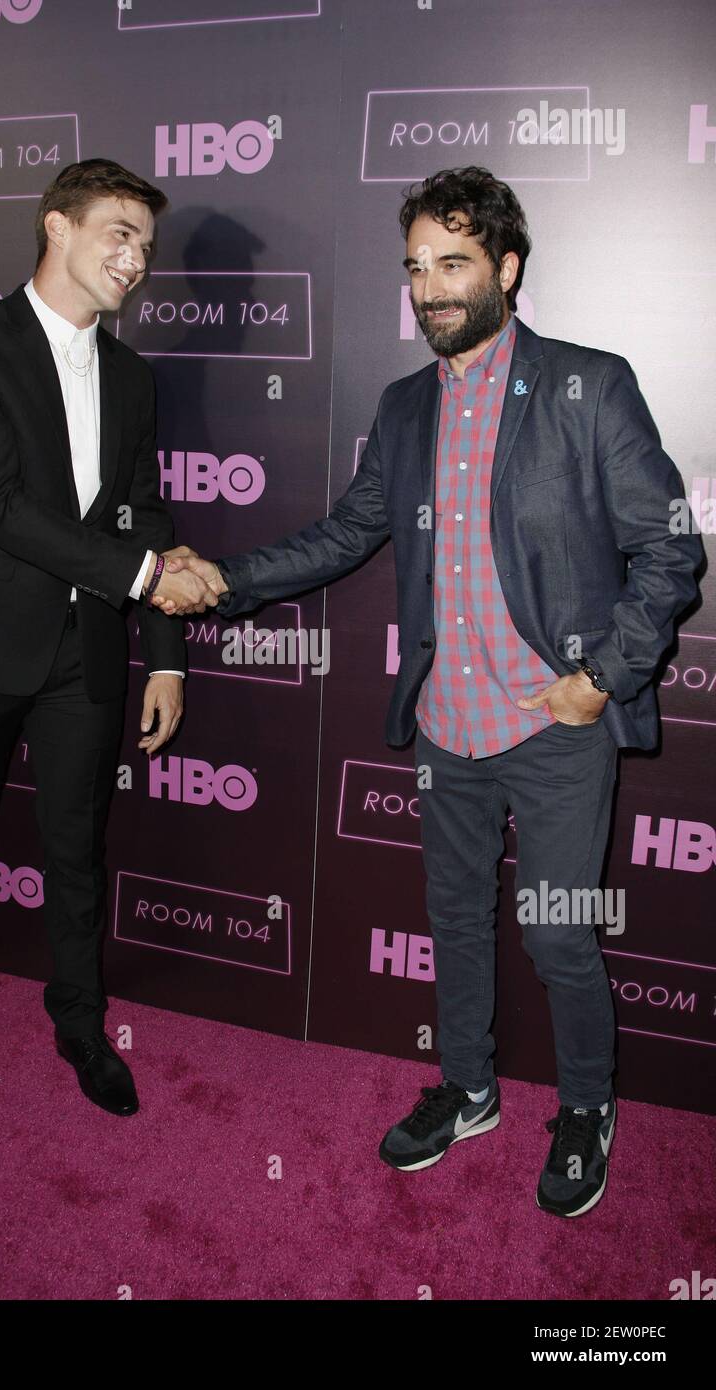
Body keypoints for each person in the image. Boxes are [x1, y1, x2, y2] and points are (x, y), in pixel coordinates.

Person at [159, 165, 704, 1216]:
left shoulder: (590, 384)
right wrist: (222, 582)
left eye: (453, 262)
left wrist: (598, 679)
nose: (430, 287)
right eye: (416, 266)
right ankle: (467, 1088)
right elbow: (346, 532)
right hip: (445, 732)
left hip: (555, 733)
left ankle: (588, 1104)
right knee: (453, 920)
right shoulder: (405, 405)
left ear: (505, 266)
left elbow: (670, 552)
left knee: (557, 935)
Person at [0, 159, 219, 1116]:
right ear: (57, 227)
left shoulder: (132, 375)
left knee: (77, 848)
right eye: (120, 234)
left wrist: (164, 651)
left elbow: (146, 514)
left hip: (88, 649)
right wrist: (150, 577)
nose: (136, 260)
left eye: (147, 248)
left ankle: (81, 1026)